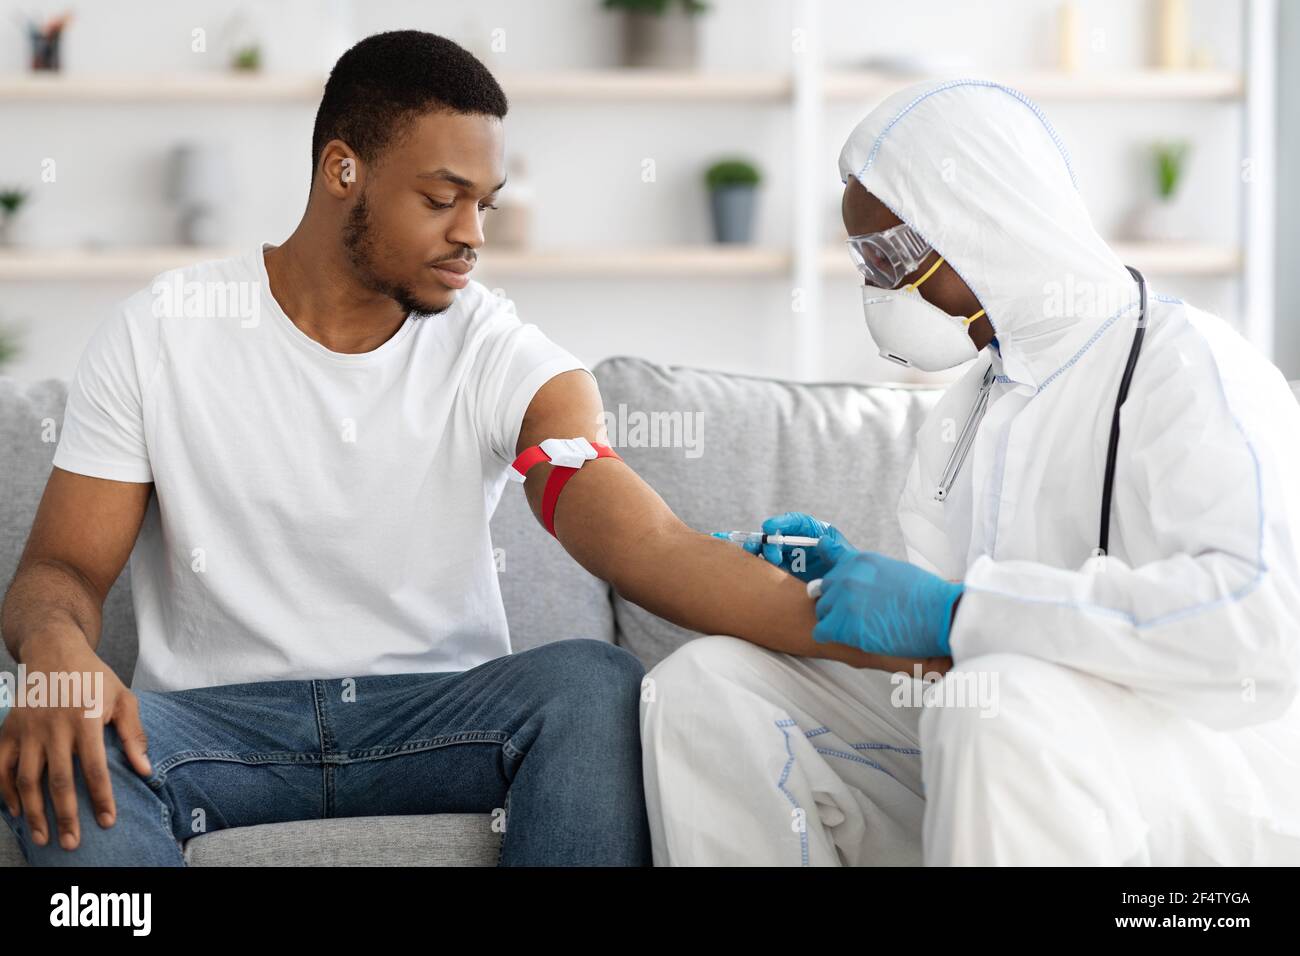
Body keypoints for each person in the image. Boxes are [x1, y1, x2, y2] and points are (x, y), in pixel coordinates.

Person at [0, 31, 909, 867]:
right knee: (53, 736)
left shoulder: (498, 355)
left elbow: (650, 548)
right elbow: (60, 572)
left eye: (484, 203)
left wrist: (918, 629)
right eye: (442, 200)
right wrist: (55, 655)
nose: (472, 235)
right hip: (219, 731)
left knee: (591, 686)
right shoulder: (162, 330)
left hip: (441, 722)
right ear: (341, 170)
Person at [640, 78, 1300, 866]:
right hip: (1000, 744)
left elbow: (1258, 625)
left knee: (998, 711)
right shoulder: (964, 411)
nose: (878, 286)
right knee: (708, 688)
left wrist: (960, 610)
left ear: (984, 220)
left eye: (894, 254)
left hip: (1197, 776)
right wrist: (850, 584)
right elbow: (947, 653)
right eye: (864, 259)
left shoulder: (1190, 366)